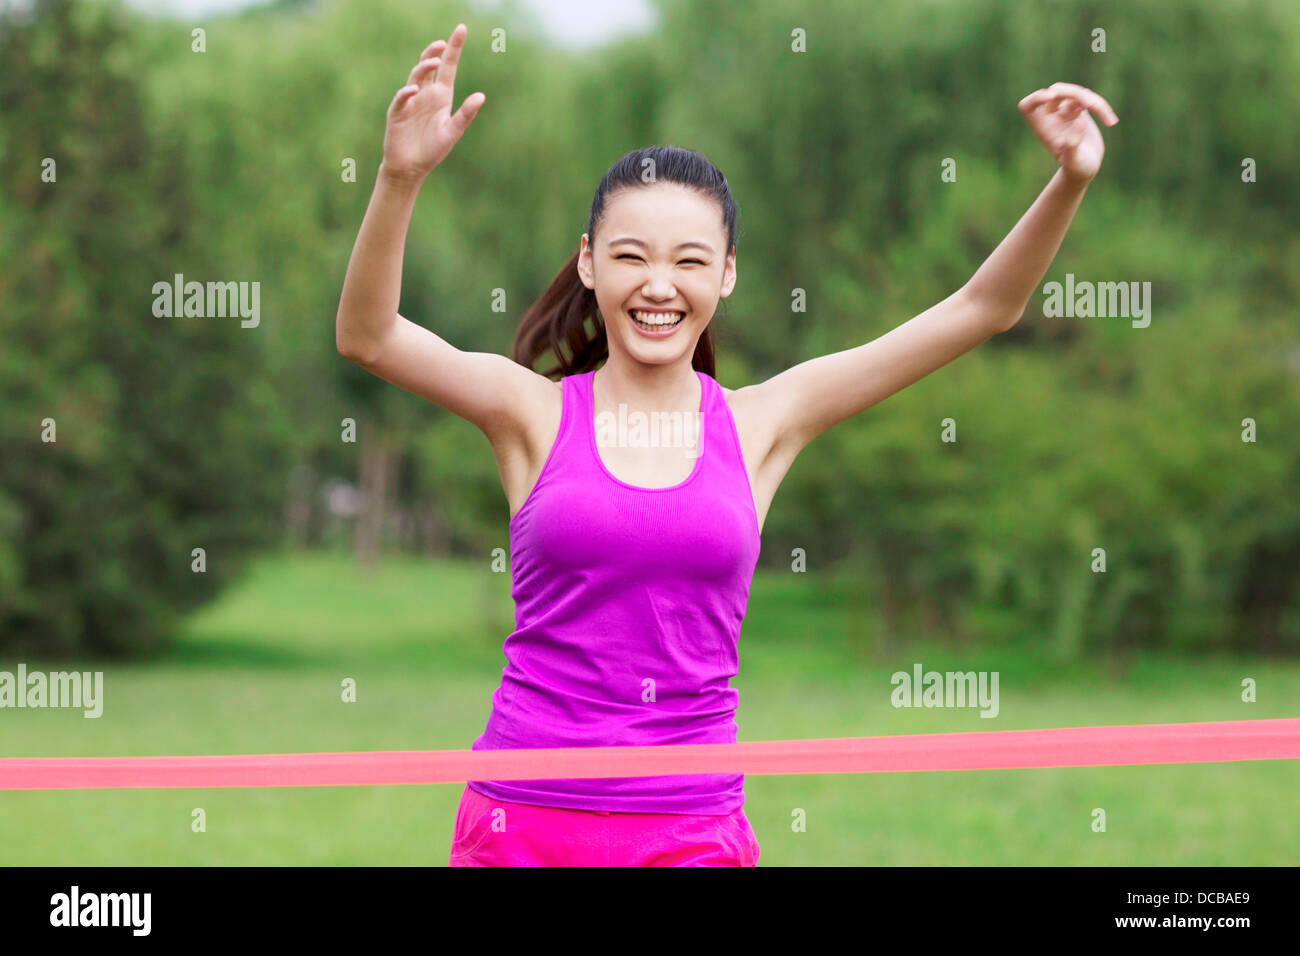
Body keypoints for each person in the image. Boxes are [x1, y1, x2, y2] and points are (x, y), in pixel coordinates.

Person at [335, 23, 1118, 866]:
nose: (658, 285)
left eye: (689, 261)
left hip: (689, 827)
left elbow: (981, 309)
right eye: (630, 257)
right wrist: (399, 178)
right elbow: (369, 337)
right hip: (524, 820)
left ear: (727, 273)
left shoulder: (762, 424)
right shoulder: (529, 413)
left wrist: (1069, 180)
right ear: (590, 264)